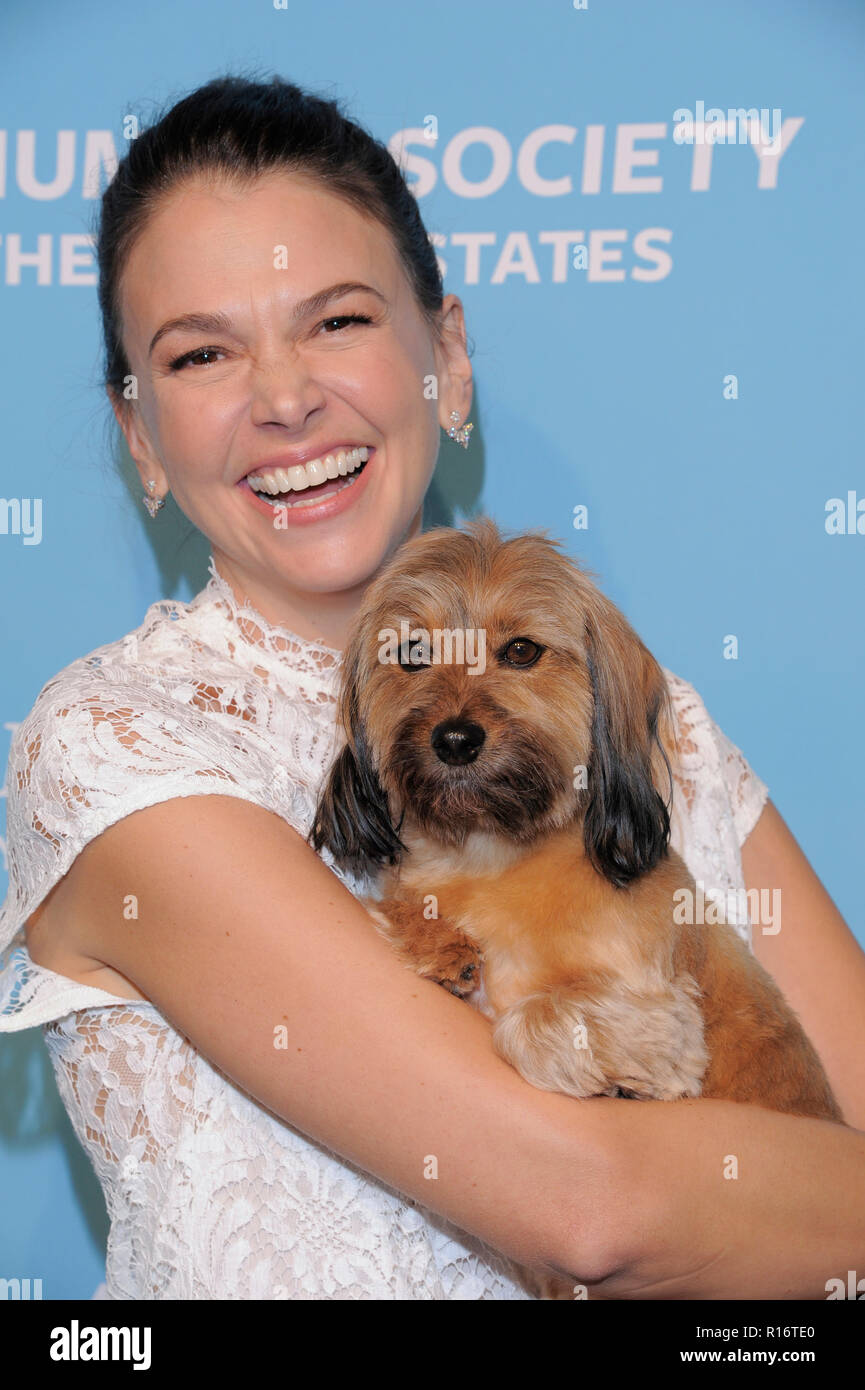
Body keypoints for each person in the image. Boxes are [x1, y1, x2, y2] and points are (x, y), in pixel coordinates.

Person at [1, 73, 864, 1302]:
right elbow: (585, 1202)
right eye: (202, 352)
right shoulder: (113, 749)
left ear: (445, 358)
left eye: (337, 321)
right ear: (140, 434)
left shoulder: (647, 715)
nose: (287, 397)